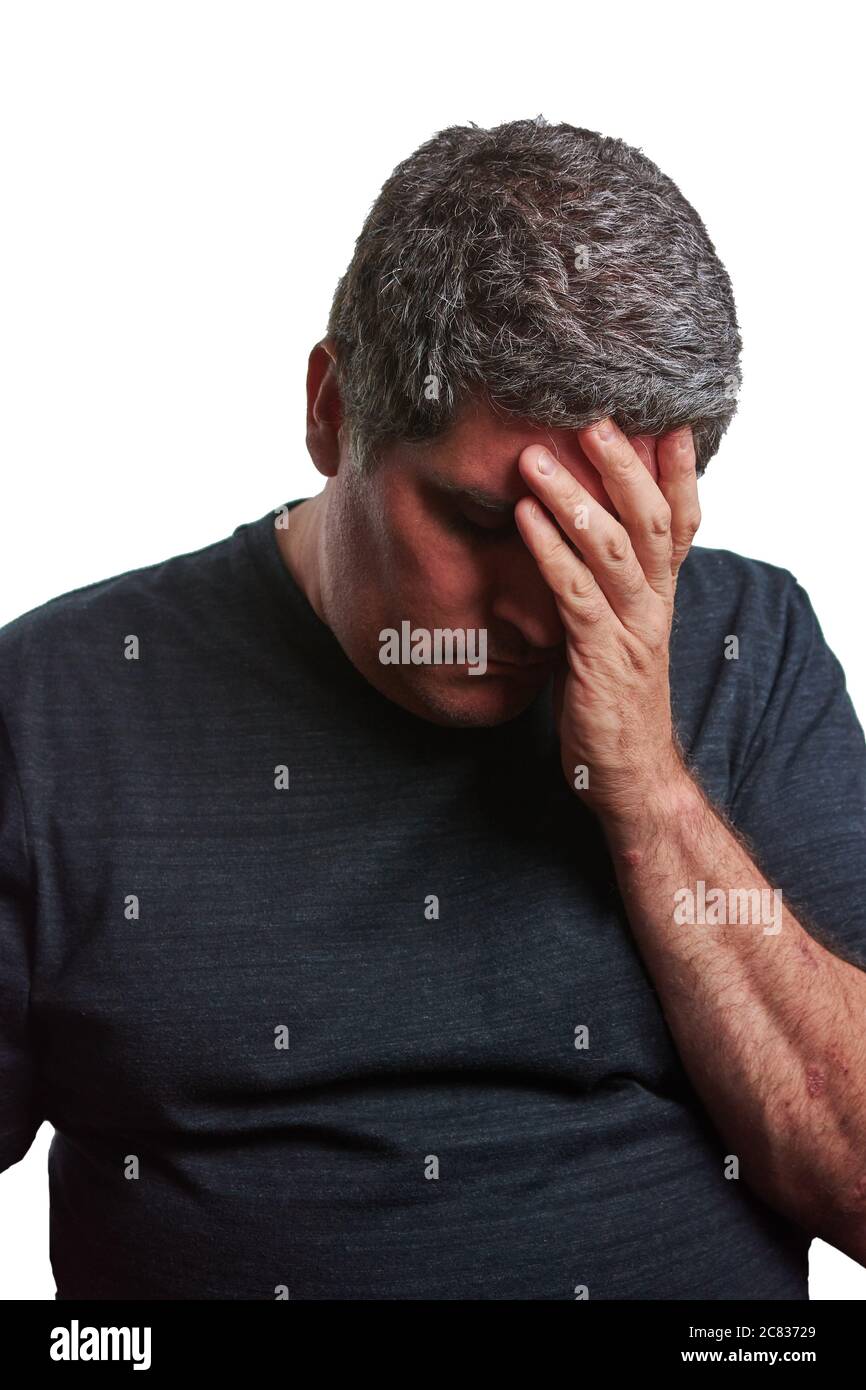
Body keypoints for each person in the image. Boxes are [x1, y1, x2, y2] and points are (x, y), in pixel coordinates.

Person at [2, 116, 865, 1301]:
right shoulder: (55, 705)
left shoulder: (746, 649)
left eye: (599, 537)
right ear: (330, 411)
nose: (537, 609)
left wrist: (648, 791)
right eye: (474, 523)